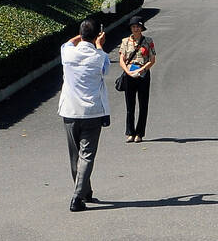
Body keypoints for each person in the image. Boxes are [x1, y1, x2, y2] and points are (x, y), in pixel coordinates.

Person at [58, 17, 110, 212]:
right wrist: (99, 45)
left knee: (75, 155)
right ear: (98, 35)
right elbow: (104, 69)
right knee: (87, 155)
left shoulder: (68, 54)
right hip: (92, 112)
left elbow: (68, 43)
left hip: (70, 110)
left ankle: (84, 191)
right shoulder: (100, 57)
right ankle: (77, 196)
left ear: (81, 35)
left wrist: (83, 36)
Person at [118, 16, 156, 142]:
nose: (136, 29)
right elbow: (121, 60)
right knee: (130, 105)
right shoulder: (125, 41)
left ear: (142, 28)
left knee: (143, 104)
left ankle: (139, 133)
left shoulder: (148, 41)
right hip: (130, 75)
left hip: (143, 75)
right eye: (133, 27)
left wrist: (142, 69)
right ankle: (130, 132)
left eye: (138, 27)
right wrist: (128, 71)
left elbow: (152, 60)